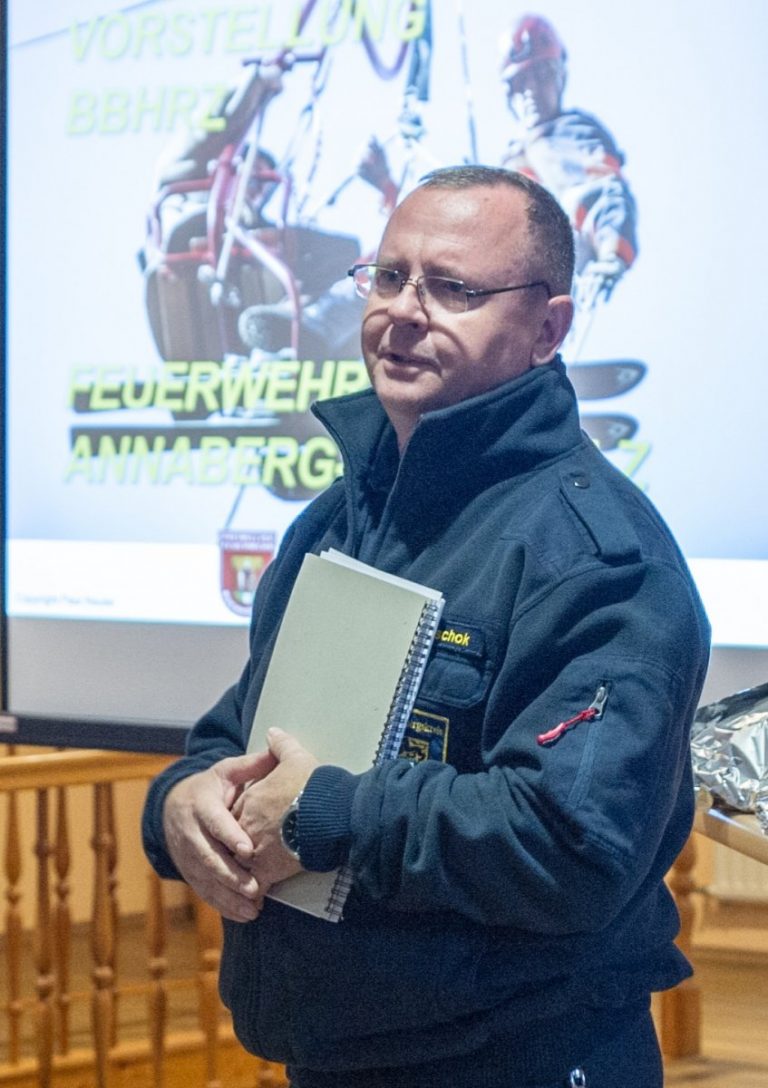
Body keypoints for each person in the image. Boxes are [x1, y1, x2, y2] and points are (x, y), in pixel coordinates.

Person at [142, 165, 710, 1087]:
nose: (403, 311)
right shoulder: (334, 521)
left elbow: (572, 845)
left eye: (452, 288)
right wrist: (179, 806)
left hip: (521, 1059)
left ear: (549, 329)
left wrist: (331, 814)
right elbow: (239, 738)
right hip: (333, 1057)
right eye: (389, 276)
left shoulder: (601, 558)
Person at [499, 14, 638, 310]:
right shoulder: (513, 158)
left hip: (559, 264)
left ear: (559, 78)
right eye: (521, 82)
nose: (531, 91)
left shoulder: (572, 134)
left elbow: (605, 191)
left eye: (541, 76)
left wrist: (612, 253)